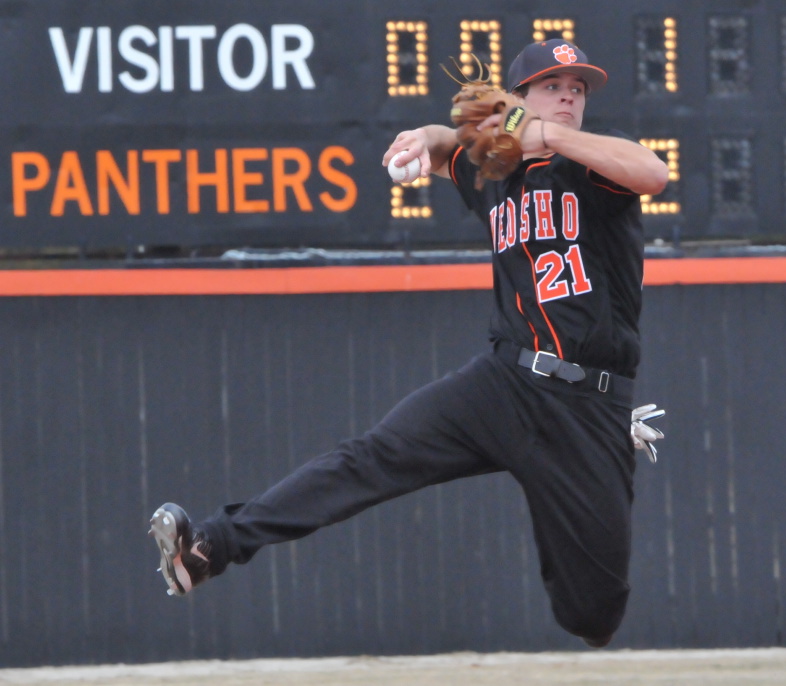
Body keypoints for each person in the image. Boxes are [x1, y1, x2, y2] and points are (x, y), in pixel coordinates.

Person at [149, 40, 668, 649]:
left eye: (577, 88)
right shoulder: (495, 172)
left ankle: (602, 455)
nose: (568, 96)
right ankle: (207, 549)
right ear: (522, 97)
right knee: (369, 458)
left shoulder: (593, 166)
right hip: (504, 385)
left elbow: (653, 172)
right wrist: (426, 137)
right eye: (553, 86)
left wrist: (547, 136)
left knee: (592, 616)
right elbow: (451, 144)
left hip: (587, 406)